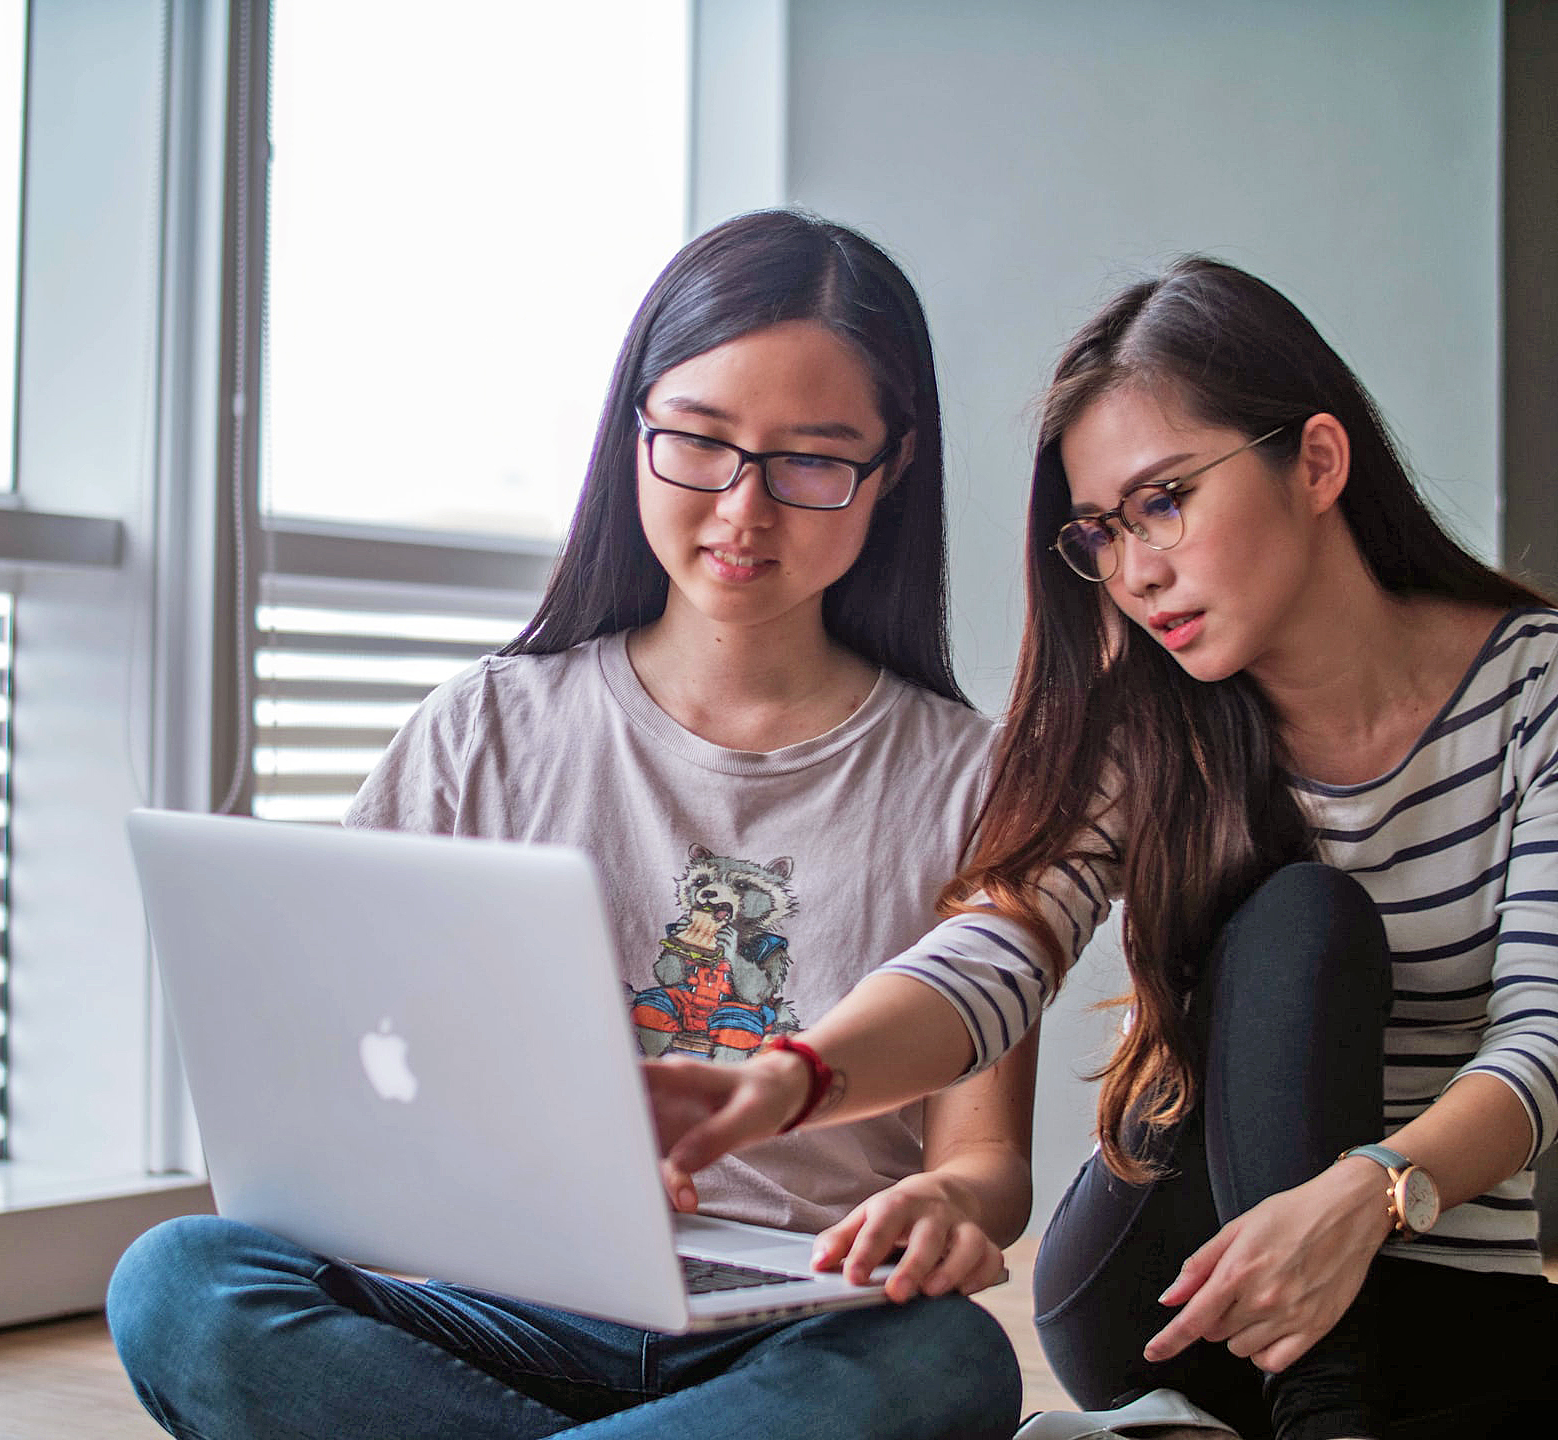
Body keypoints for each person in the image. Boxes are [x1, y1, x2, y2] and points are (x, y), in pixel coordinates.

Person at [105, 208, 1034, 1440]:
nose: (744, 511)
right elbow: (344, 1071)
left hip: (800, 1321)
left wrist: (954, 1208)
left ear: (894, 468)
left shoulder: (977, 781)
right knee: (180, 1279)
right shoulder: (484, 728)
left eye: (813, 460)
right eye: (700, 443)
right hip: (509, 1308)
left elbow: (985, 1161)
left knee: (949, 1363)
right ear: (633, 429)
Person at [648, 256, 1558, 1440]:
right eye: (1101, 534)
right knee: (1303, 916)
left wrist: (1371, 1193)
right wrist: (792, 1077)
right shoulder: (1148, 720)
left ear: (1319, 463)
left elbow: (1545, 1029)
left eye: (1166, 501)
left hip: (1442, 1281)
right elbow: (993, 951)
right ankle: (1313, 1413)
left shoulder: (1536, 690)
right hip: (1176, 1289)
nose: (1135, 574)